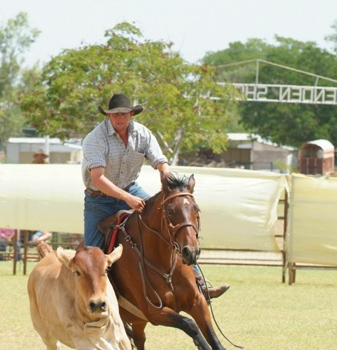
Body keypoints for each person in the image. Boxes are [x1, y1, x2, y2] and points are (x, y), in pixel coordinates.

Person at [81, 93, 229, 299]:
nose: (119, 118)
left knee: (170, 222)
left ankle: (199, 283)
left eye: (124, 114)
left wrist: (167, 178)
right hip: (99, 199)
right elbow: (97, 179)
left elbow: (160, 161)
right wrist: (128, 198)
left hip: (130, 189)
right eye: (114, 115)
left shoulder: (143, 134)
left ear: (131, 114)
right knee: (92, 253)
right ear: (108, 116)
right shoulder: (95, 139)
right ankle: (92, 296)